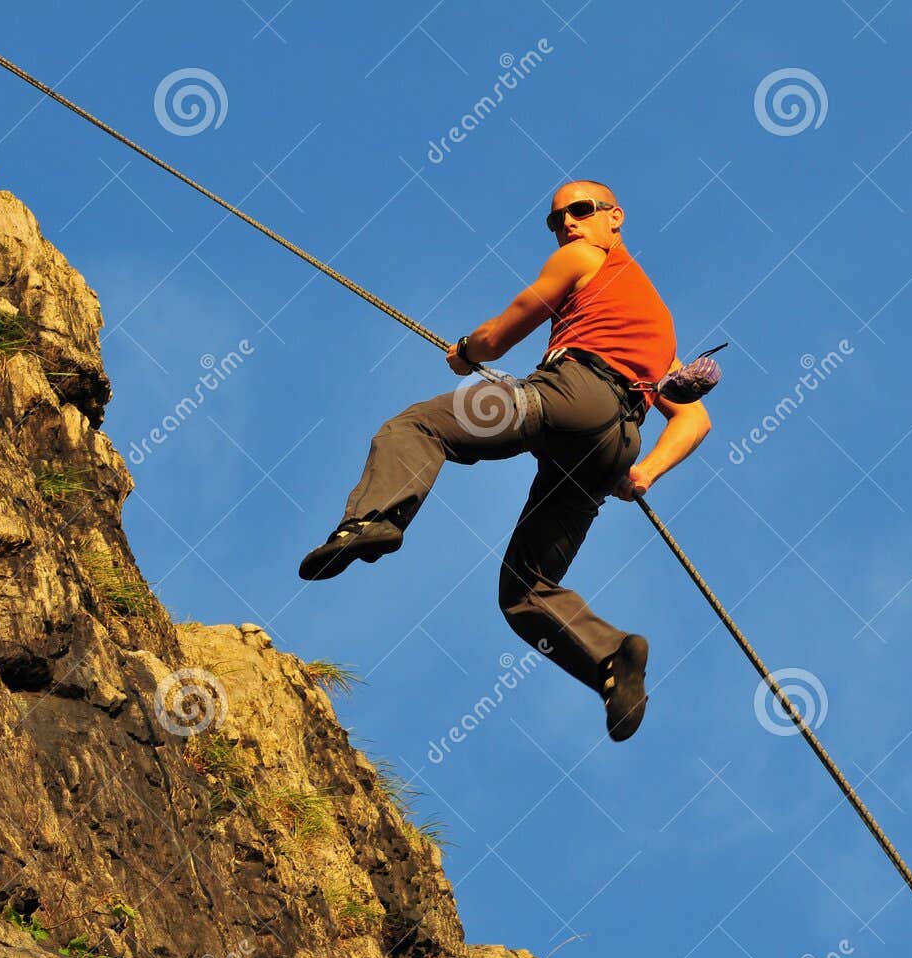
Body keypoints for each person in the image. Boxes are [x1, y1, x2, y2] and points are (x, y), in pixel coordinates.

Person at [298, 180, 715, 741]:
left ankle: (373, 520)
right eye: (555, 220)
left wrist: (468, 351)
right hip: (615, 443)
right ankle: (613, 657)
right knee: (524, 590)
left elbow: (504, 331)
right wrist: (644, 472)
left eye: (580, 211)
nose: (566, 223)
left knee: (417, 426)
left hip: (568, 394)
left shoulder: (585, 257)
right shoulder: (655, 332)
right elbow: (694, 417)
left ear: (614, 217)